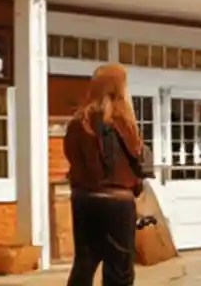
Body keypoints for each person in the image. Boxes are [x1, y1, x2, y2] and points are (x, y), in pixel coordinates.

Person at [64, 64, 148, 286]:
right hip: (117, 201)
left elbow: (72, 157)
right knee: (119, 269)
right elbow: (137, 162)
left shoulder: (78, 123)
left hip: (84, 199)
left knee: (84, 263)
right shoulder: (125, 124)